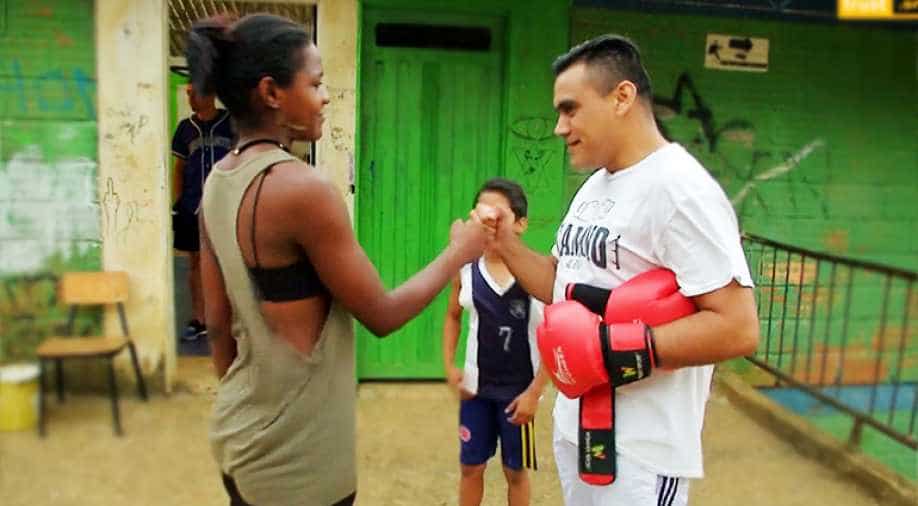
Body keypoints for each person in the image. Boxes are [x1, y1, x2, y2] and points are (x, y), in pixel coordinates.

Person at [188, 14, 493, 506]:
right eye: (315, 83)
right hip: (299, 462)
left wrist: (254, 404)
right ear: (271, 92)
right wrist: (461, 250)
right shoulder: (301, 189)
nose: (326, 97)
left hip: (239, 436)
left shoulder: (219, 181)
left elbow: (218, 326)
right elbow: (383, 314)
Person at [477, 35, 760, 505]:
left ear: (622, 97)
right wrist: (505, 243)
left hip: (642, 454)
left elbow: (738, 328)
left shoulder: (680, 189)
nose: (558, 128)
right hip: (580, 432)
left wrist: (609, 350)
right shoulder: (594, 187)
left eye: (570, 109)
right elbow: (559, 283)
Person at [442, 178, 548, 506]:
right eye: (482, 216)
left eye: (498, 217)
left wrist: (535, 393)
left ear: (520, 224)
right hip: (476, 392)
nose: (489, 225)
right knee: (470, 467)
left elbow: (556, 338)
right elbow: (452, 317)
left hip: (520, 396)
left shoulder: (539, 275)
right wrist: (450, 367)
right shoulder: (466, 272)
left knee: (515, 472)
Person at [171, 83, 234, 341]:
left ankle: (229, 319)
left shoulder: (231, 123)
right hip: (191, 206)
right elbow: (179, 168)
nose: (191, 98)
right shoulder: (185, 129)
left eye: (195, 92)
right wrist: (177, 203)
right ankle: (200, 319)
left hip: (225, 206)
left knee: (228, 262)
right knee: (195, 263)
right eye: (188, 93)